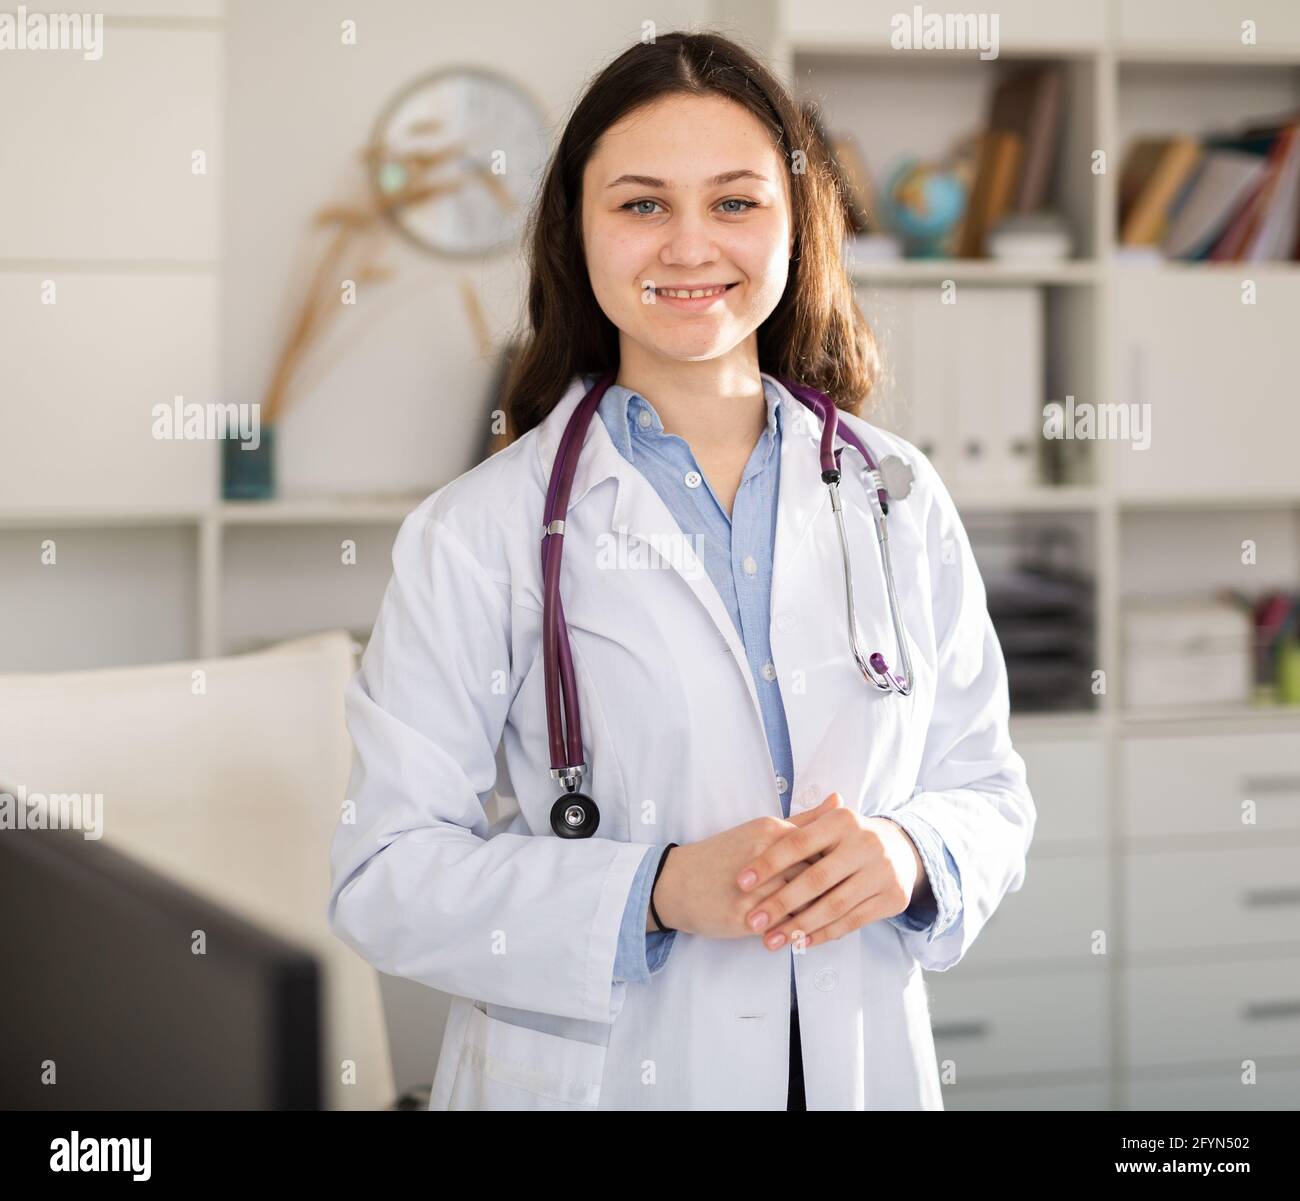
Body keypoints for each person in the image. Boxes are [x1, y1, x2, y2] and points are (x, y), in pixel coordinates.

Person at [327, 29, 1035, 1111]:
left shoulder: (895, 492)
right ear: (578, 228)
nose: (690, 244)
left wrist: (911, 849)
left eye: (737, 202)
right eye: (642, 202)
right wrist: (649, 889)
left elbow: (985, 789)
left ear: (801, 228)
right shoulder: (477, 532)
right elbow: (384, 877)